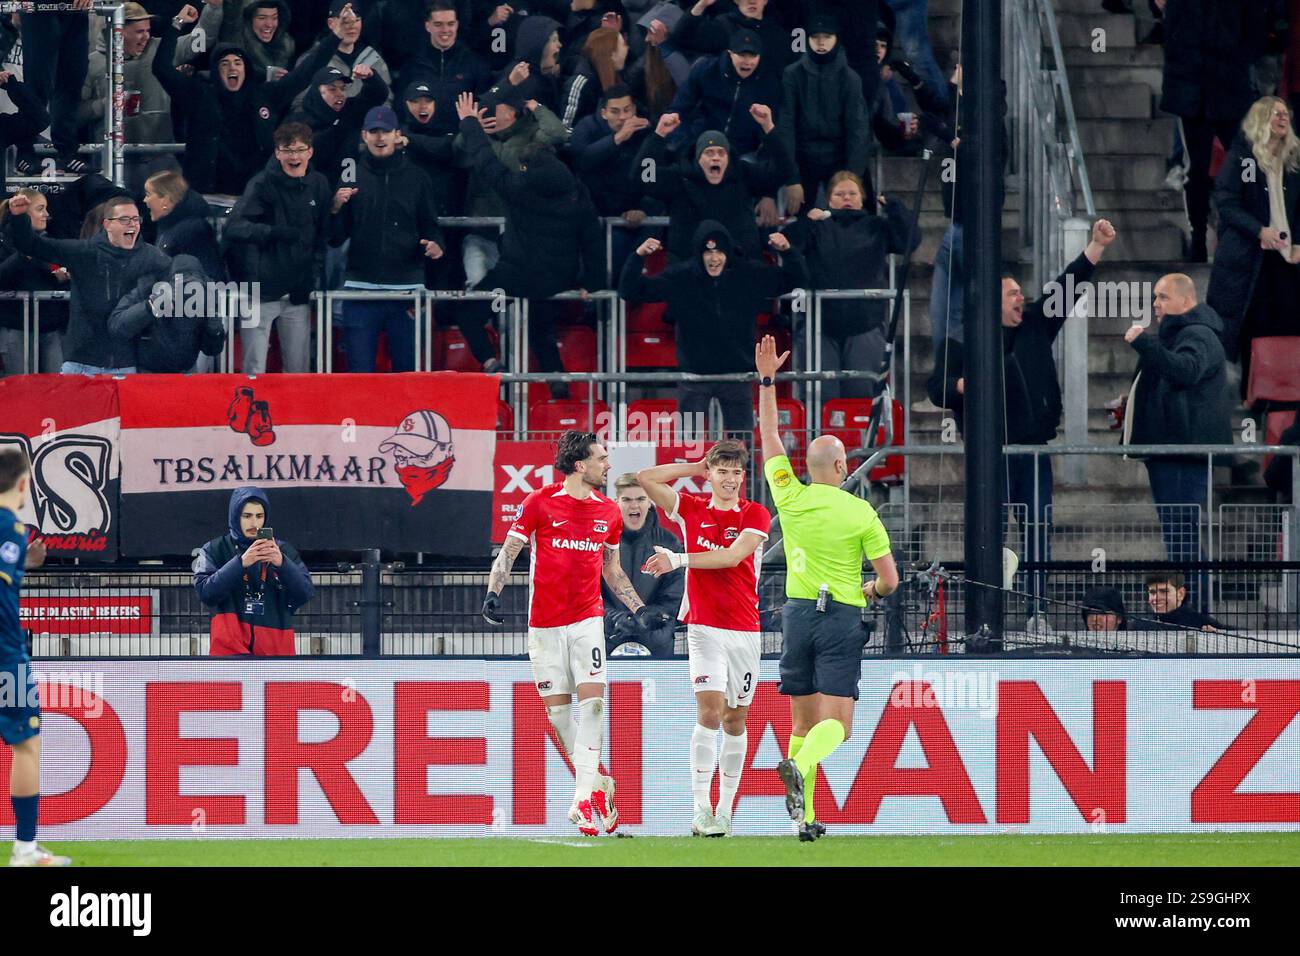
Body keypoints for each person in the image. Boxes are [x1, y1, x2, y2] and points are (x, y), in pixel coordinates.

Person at [929, 219, 1118, 628]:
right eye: (1013, 293)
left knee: (1037, 533)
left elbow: (1066, 290)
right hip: (988, 454)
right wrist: (960, 385)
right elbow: (935, 387)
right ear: (992, 302)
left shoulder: (1035, 323)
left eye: (1020, 292)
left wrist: (1095, 247)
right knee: (989, 537)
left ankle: (1038, 612)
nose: (1021, 297)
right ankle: (988, 615)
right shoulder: (962, 342)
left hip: (1033, 452)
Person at [482, 430, 670, 836]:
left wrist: (640, 611)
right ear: (580, 464)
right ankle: (599, 784)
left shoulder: (609, 512)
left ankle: (581, 802)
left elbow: (612, 570)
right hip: (544, 626)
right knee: (560, 716)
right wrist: (493, 592)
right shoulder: (539, 503)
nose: (607, 464)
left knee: (594, 707)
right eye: (601, 458)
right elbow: (509, 552)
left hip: (587, 621)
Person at [757, 335, 899, 841]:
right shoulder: (862, 512)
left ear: (809, 468)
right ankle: (799, 778)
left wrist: (769, 381)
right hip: (840, 616)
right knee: (837, 724)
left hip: (795, 616)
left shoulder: (789, 497)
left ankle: (805, 818)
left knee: (801, 724)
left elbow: (770, 436)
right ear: (841, 467)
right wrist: (871, 592)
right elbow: (889, 580)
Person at [637, 439, 772, 837]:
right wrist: (693, 466)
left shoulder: (755, 514)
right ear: (710, 475)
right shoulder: (692, 509)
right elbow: (645, 478)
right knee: (709, 714)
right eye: (722, 471)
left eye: (736, 472)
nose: (730, 479)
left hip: (745, 631)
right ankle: (700, 809)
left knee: (735, 720)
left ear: (743, 477)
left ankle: (726, 809)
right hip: (704, 627)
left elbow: (732, 556)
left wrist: (678, 559)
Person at [453, 91, 603, 387]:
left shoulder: (521, 190)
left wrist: (470, 124)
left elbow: (486, 161)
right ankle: (559, 391)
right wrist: (593, 282)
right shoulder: (577, 192)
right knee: (540, 331)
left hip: (514, 278)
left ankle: (491, 363)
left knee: (469, 314)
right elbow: (593, 240)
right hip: (556, 281)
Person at [619, 224, 806, 441]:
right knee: (689, 445)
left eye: (719, 252)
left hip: (738, 375)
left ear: (728, 252)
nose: (714, 258)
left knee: (741, 446)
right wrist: (638, 255)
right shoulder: (680, 277)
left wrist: (787, 251)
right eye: (708, 252)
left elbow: (797, 279)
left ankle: (742, 476)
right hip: (694, 376)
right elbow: (629, 290)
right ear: (699, 253)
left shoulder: (748, 274)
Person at [1121, 273, 1232, 605]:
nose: (1156, 304)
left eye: (1163, 297)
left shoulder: (1198, 335)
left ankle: (1194, 612)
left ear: (1187, 301)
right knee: (1179, 537)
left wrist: (1144, 342)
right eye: (1155, 297)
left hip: (1183, 453)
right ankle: (1190, 611)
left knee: (1182, 537)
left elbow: (1186, 370)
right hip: (1171, 451)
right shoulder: (1179, 334)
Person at [150, 14, 343, 196]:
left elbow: (305, 73)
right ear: (216, 71)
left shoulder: (265, 95)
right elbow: (161, 68)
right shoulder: (198, 95)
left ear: (246, 69)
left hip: (255, 195)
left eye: (238, 62)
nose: (232, 67)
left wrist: (336, 37)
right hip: (207, 194)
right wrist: (177, 23)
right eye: (224, 63)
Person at [780, 173, 918, 400]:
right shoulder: (817, 227)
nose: (846, 198)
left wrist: (895, 208)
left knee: (861, 396)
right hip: (820, 326)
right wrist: (807, 221)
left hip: (865, 324)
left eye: (852, 193)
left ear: (862, 199)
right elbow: (787, 244)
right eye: (840, 194)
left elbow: (909, 241)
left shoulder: (876, 226)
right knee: (820, 398)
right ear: (829, 200)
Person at [330, 106, 445, 372]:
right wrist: (335, 208)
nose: (380, 137)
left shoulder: (418, 177)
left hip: (407, 290)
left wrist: (437, 246)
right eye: (374, 131)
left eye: (385, 131)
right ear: (364, 135)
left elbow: (432, 227)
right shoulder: (351, 174)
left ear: (397, 135)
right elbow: (335, 238)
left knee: (408, 376)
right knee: (359, 376)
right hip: (360, 289)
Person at [4, 193, 169, 376]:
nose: (132, 224)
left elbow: (179, 274)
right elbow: (32, 245)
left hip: (126, 365)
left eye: (135, 219)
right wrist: (19, 217)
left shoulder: (151, 257)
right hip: (80, 365)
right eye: (124, 219)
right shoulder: (84, 252)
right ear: (107, 224)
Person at [0, 449, 70, 866]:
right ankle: (25, 849)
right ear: (23, 484)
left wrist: (24, 563)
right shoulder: (11, 527)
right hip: (6, 656)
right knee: (26, 745)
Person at [1159, 0, 1270, 261]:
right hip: (1197, 87)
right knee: (1198, 170)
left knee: (1246, 165)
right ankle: (1199, 238)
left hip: (1224, 84)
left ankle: (1243, 233)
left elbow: (1255, 27)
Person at [223, 122, 335, 373]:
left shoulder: (319, 184)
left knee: (298, 371)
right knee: (254, 371)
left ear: (310, 152)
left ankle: (297, 413)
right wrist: (272, 232)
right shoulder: (261, 184)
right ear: (277, 153)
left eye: (299, 150)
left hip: (297, 292)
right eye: (288, 150)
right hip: (257, 292)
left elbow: (323, 237)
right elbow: (233, 227)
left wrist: (311, 277)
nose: (294, 156)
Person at [1206, 97, 1300, 395]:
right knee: (1250, 323)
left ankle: (1283, 392)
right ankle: (1252, 392)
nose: (1283, 118)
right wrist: (1259, 231)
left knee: (1286, 320)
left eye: (1286, 114)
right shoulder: (1243, 157)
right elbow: (1227, 201)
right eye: (1275, 114)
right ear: (1261, 120)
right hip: (1249, 256)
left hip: (1285, 255)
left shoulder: (1294, 159)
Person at [634, 116, 794, 265]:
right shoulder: (679, 177)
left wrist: (769, 128)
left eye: (720, 153)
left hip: (740, 268)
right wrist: (658, 135)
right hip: (689, 270)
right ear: (698, 158)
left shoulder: (743, 174)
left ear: (728, 158)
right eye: (708, 153)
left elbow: (782, 170)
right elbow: (644, 177)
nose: (715, 158)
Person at [193, 485, 315, 656]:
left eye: (259, 516)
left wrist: (282, 564)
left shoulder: (283, 551)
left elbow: (306, 593)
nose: (254, 523)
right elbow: (206, 593)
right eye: (247, 516)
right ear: (235, 517)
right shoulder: (214, 549)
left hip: (276, 653)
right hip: (229, 653)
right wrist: (241, 563)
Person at [776, 15, 869, 217]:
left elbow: (858, 130)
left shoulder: (850, 79)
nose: (820, 42)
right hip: (802, 159)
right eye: (815, 37)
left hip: (838, 158)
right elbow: (786, 124)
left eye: (826, 37)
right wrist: (792, 178)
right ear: (807, 39)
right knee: (800, 221)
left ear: (836, 39)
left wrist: (850, 178)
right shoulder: (792, 74)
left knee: (844, 219)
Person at [567, 84, 653, 278]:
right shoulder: (586, 127)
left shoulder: (645, 134)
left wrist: (643, 209)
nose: (622, 117)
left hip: (631, 217)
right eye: (615, 111)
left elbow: (653, 176)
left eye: (627, 110)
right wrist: (618, 138)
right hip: (592, 216)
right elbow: (582, 161)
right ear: (604, 112)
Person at [601, 472, 683, 659]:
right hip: (608, 636)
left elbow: (675, 593)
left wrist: (651, 616)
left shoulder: (668, 542)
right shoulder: (601, 540)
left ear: (650, 503)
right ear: (616, 502)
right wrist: (615, 619)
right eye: (627, 500)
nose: (634, 505)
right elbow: (590, 591)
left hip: (656, 638)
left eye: (640, 499)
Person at [668, 28, 782, 159]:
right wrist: (685, 144)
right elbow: (678, 109)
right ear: (730, 53)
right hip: (702, 146)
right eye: (742, 55)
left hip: (743, 153)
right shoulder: (706, 70)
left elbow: (773, 126)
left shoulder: (769, 82)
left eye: (753, 56)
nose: (748, 61)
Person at [108, 254, 224, 373]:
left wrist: (214, 324)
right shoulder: (148, 286)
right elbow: (116, 326)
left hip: (186, 371)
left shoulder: (205, 294)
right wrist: (151, 306)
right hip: (148, 371)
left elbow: (212, 350)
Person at [394, 1, 491, 138]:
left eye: (450, 24)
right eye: (438, 24)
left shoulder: (474, 63)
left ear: (457, 25)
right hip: (420, 141)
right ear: (428, 26)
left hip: (461, 142)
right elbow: (400, 107)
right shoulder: (413, 65)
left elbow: (484, 104)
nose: (445, 30)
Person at [15, 1, 90, 175]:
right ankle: (25, 152)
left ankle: (67, 153)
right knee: (37, 85)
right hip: (39, 8)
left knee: (72, 82)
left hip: (75, 11)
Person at [0, 189, 69, 377]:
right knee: (19, 388)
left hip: (50, 327)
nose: (46, 215)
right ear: (22, 212)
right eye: (40, 209)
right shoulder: (3, 241)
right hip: (15, 327)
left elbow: (63, 273)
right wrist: (25, 255)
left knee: (56, 387)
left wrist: (62, 274)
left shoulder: (50, 242)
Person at [287, 63, 388, 187]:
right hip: (314, 192)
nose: (340, 94)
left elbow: (378, 95)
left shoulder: (350, 111)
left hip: (350, 189)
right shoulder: (298, 123)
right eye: (332, 89)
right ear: (317, 92)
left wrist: (371, 76)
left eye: (343, 88)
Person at [294, 0, 392, 107]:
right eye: (345, 20)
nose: (352, 26)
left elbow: (386, 102)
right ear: (330, 23)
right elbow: (299, 105)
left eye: (356, 20)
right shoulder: (312, 60)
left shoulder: (373, 58)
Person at [142, 170, 225, 280]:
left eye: (148, 194)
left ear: (165, 200)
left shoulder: (190, 230)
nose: (145, 200)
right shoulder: (166, 224)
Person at [560, 25, 630, 129]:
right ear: (611, 54)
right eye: (623, 45)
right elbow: (565, 130)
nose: (627, 48)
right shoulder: (580, 84)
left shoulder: (616, 77)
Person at [1141, 571, 1223, 631]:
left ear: (1180, 594)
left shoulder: (1203, 624)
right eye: (1152, 592)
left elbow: (1234, 637)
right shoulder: (1139, 625)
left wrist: (1218, 637)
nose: (1156, 598)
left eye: (1164, 591)